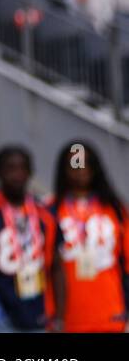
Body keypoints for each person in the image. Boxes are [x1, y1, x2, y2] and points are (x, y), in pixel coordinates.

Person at [0, 146, 57, 332]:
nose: (16, 175)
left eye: (21, 168)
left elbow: (56, 263)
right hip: (0, 313)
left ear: (30, 172)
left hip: (39, 309)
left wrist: (58, 314)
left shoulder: (45, 214)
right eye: (10, 168)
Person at [49, 140, 129, 333]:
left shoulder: (115, 209)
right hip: (66, 315)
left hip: (110, 310)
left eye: (85, 164)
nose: (80, 171)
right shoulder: (50, 209)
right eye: (74, 165)